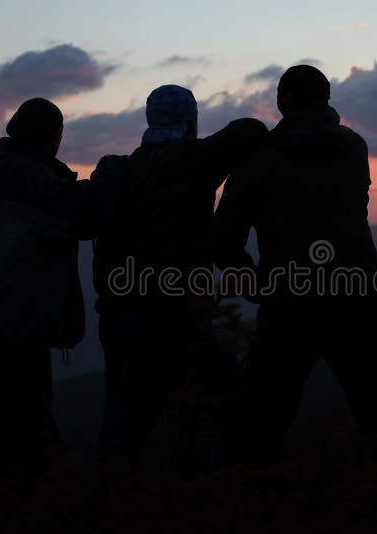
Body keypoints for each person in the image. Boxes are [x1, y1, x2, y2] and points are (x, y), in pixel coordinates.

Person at [213, 66, 377, 480]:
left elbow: (224, 240)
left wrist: (255, 287)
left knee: (265, 418)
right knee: (376, 410)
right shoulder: (354, 147)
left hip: (286, 302)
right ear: (327, 97)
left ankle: (259, 504)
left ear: (282, 102)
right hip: (356, 296)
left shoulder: (256, 161)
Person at [0, 97, 117, 477]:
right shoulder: (32, 180)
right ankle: (25, 505)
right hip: (18, 328)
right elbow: (87, 216)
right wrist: (109, 174)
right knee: (27, 433)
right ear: (54, 137)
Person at [92, 84, 267, 465]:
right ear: (192, 121)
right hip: (175, 315)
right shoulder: (195, 160)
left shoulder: (126, 167)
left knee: (122, 423)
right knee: (233, 404)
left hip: (119, 313)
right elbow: (251, 129)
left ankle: (108, 503)